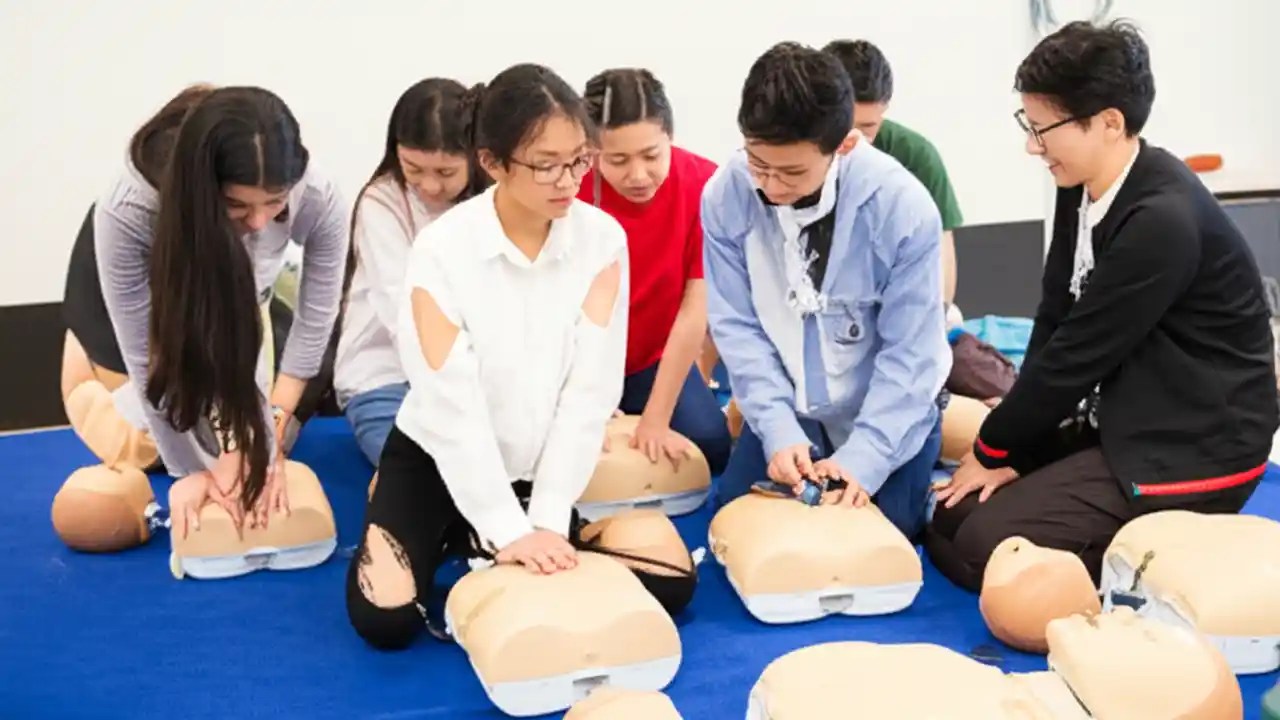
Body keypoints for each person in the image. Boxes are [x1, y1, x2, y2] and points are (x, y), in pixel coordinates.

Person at [925, 20, 1277, 592]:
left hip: (1193, 446)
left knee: (978, 548)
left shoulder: (1161, 220)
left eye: (1044, 130)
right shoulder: (1080, 184)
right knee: (950, 517)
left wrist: (994, 447)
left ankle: (1168, 560)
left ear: (1110, 123)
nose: (1032, 146)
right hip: (1123, 413)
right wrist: (1017, 444)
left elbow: (1074, 357)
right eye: (1028, 126)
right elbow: (1054, 319)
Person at [345, 63, 630, 651]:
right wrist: (505, 529)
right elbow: (450, 408)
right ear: (493, 163)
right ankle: (463, 531)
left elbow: (589, 393)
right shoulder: (443, 250)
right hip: (436, 452)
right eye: (545, 164)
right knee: (386, 620)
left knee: (667, 591)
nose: (568, 180)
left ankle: (481, 537)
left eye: (579, 158)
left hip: (536, 467)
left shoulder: (602, 241)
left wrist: (546, 520)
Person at [703, 41, 950, 541]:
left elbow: (911, 355)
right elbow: (737, 326)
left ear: (845, 145)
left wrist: (867, 455)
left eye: (792, 172)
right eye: (759, 164)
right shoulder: (726, 194)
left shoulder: (901, 207)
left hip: (883, 410)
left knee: (880, 536)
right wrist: (776, 429)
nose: (771, 186)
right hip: (791, 405)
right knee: (745, 525)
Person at [95, 86, 349, 526]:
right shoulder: (130, 210)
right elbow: (147, 362)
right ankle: (82, 366)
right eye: (236, 204)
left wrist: (271, 422)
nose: (258, 220)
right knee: (129, 435)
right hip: (156, 303)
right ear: (202, 190)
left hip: (246, 305)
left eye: (275, 202)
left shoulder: (317, 194)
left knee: (257, 449)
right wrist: (190, 472)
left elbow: (318, 314)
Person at [579, 68, 731, 475]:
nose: (638, 175)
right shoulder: (569, 189)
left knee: (711, 448)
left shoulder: (704, 184)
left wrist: (656, 418)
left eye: (651, 155)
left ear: (670, 138)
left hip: (652, 357)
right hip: (579, 360)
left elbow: (695, 308)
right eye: (618, 160)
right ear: (591, 151)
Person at [333, 78, 492, 466]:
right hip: (384, 380)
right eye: (414, 168)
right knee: (424, 472)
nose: (429, 186)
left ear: (478, 158)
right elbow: (404, 315)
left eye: (445, 171)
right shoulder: (383, 203)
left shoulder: (495, 203)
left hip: (480, 384)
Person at [822, 39, 964, 320]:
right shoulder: (799, 155)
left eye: (867, 128)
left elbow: (941, 253)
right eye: (842, 125)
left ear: (884, 108)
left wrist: (937, 318)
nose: (852, 140)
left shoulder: (914, 155)